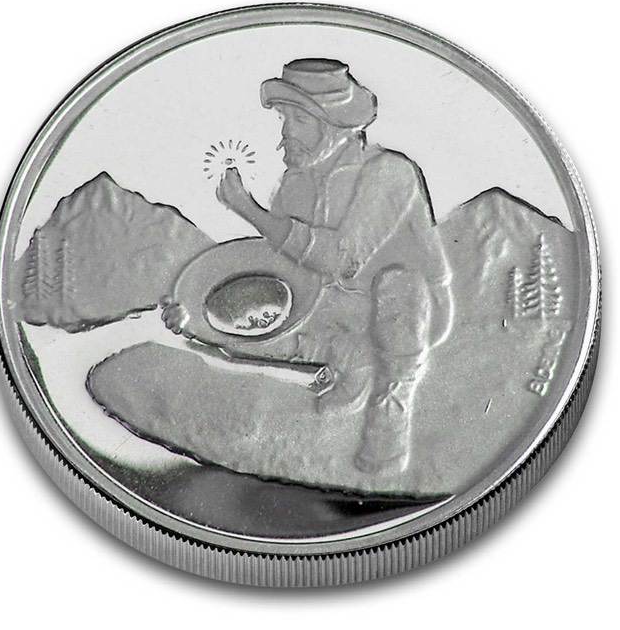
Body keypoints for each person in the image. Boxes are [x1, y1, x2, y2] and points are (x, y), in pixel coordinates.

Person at [164, 59, 453, 474]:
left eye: (299, 119)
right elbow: (278, 268)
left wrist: (250, 210)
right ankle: (349, 365)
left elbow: (342, 259)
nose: (286, 132)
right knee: (263, 317)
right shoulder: (296, 182)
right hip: (333, 306)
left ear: (334, 125)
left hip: (408, 316)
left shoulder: (391, 173)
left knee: (400, 285)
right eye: (284, 118)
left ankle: (393, 402)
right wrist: (196, 311)